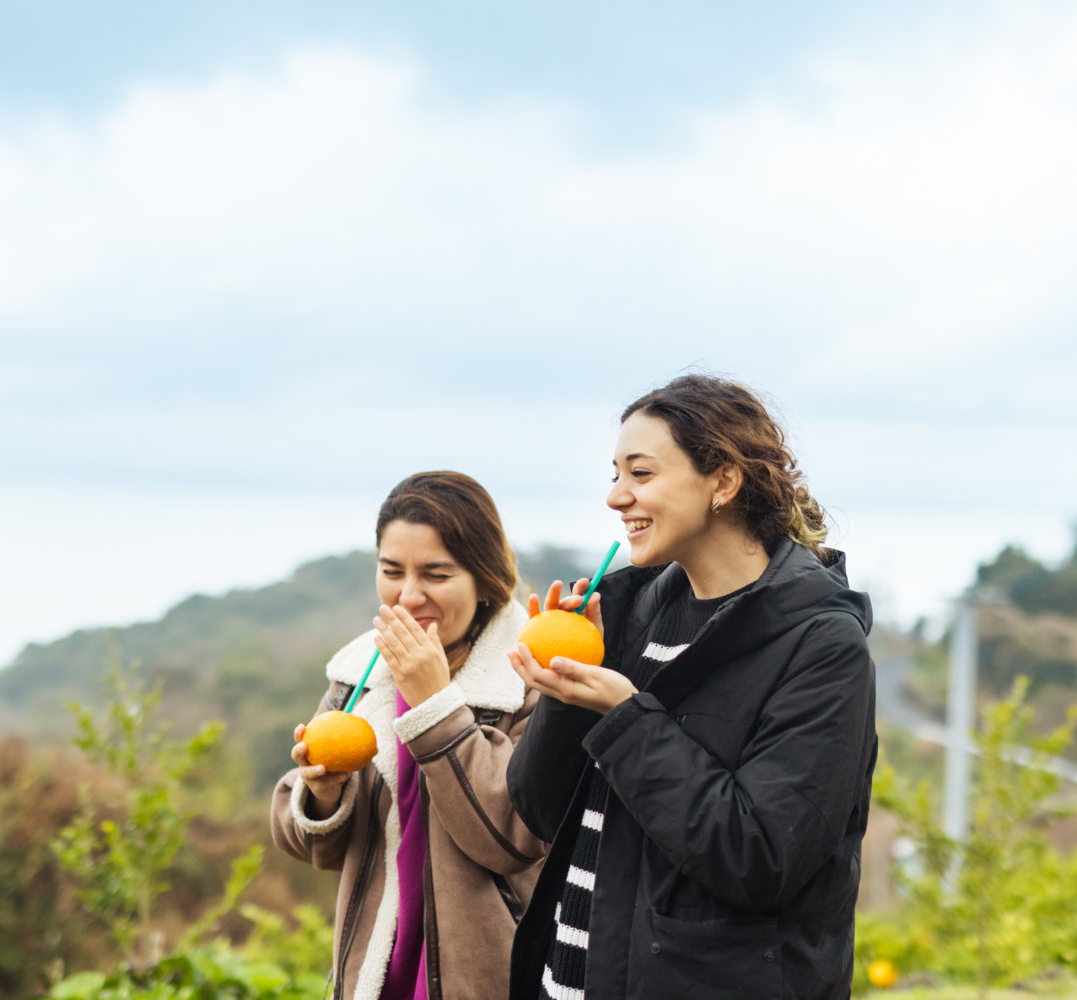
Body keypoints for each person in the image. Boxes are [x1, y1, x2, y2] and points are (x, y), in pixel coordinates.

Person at [506, 375, 877, 1000]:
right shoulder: (625, 616)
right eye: (615, 474)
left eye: (641, 474)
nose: (615, 497)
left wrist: (624, 715)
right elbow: (540, 811)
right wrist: (569, 699)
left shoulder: (821, 646)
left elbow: (760, 859)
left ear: (723, 483)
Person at [272, 470, 547, 1000]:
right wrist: (324, 794)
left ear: (484, 578)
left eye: (437, 575)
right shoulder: (359, 675)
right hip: (377, 971)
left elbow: (509, 836)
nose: (409, 594)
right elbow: (311, 846)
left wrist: (435, 704)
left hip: (490, 976)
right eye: (391, 570)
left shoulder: (530, 680)